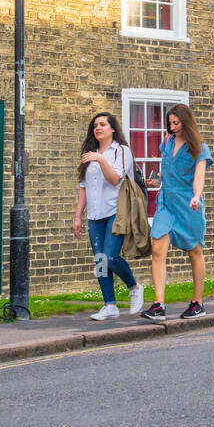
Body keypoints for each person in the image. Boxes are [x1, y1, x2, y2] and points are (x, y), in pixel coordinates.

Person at [140, 103, 212, 320]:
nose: (172, 127)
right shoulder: (167, 142)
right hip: (166, 203)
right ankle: (158, 305)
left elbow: (199, 177)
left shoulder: (199, 147)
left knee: (195, 252)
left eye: (176, 123)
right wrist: (158, 179)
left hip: (188, 204)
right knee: (157, 248)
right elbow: (168, 171)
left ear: (186, 122)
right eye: (170, 123)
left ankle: (197, 303)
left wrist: (196, 195)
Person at [72, 112, 145, 320]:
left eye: (102, 124)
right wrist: (78, 216)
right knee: (100, 260)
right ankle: (110, 305)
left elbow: (114, 180)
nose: (98, 128)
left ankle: (134, 286)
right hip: (94, 215)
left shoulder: (122, 151)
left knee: (111, 256)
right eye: (95, 125)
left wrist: (100, 159)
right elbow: (83, 187)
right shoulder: (89, 153)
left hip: (116, 211)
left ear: (113, 129)